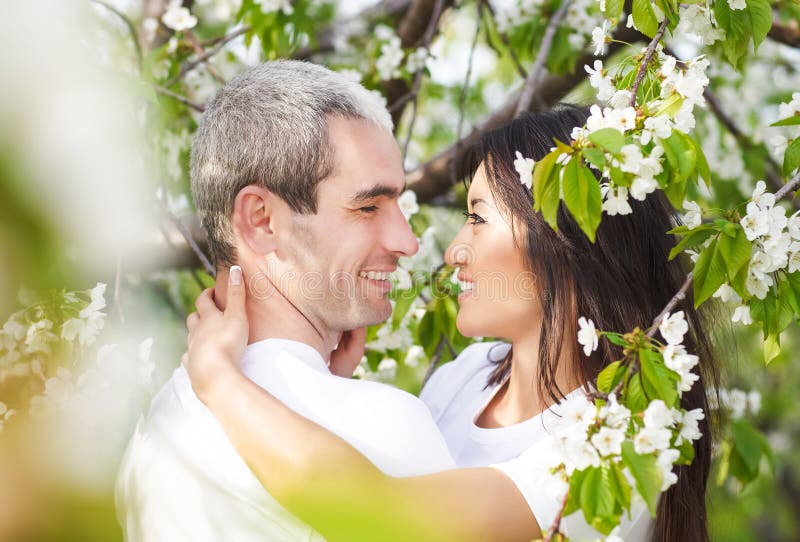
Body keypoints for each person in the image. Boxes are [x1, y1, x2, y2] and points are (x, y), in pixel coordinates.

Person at [183, 106, 720, 542]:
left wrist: (219, 381)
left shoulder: (617, 442)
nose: (453, 251)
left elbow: (386, 516)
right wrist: (328, 388)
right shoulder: (471, 375)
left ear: (565, 240)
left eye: (479, 219)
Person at [115, 60, 460, 542]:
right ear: (260, 219)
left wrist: (323, 381)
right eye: (367, 207)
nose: (407, 241)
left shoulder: (153, 434)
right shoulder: (384, 427)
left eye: (398, 205)